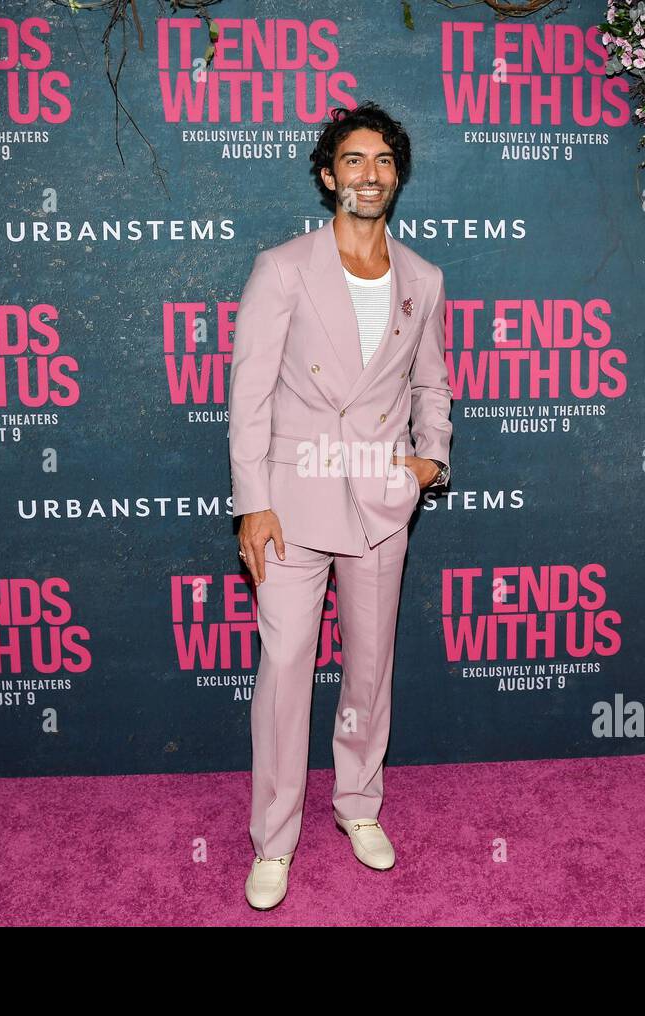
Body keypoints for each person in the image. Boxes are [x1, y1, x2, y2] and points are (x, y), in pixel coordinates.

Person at [227, 102, 453, 910]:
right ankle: (274, 840)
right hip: (290, 505)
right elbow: (248, 396)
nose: (369, 175)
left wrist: (431, 459)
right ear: (329, 176)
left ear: (398, 176)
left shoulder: (422, 279)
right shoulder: (283, 268)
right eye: (353, 161)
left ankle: (359, 804)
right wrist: (252, 505)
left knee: (369, 670)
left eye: (383, 161)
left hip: (381, 503)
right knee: (285, 671)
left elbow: (432, 383)